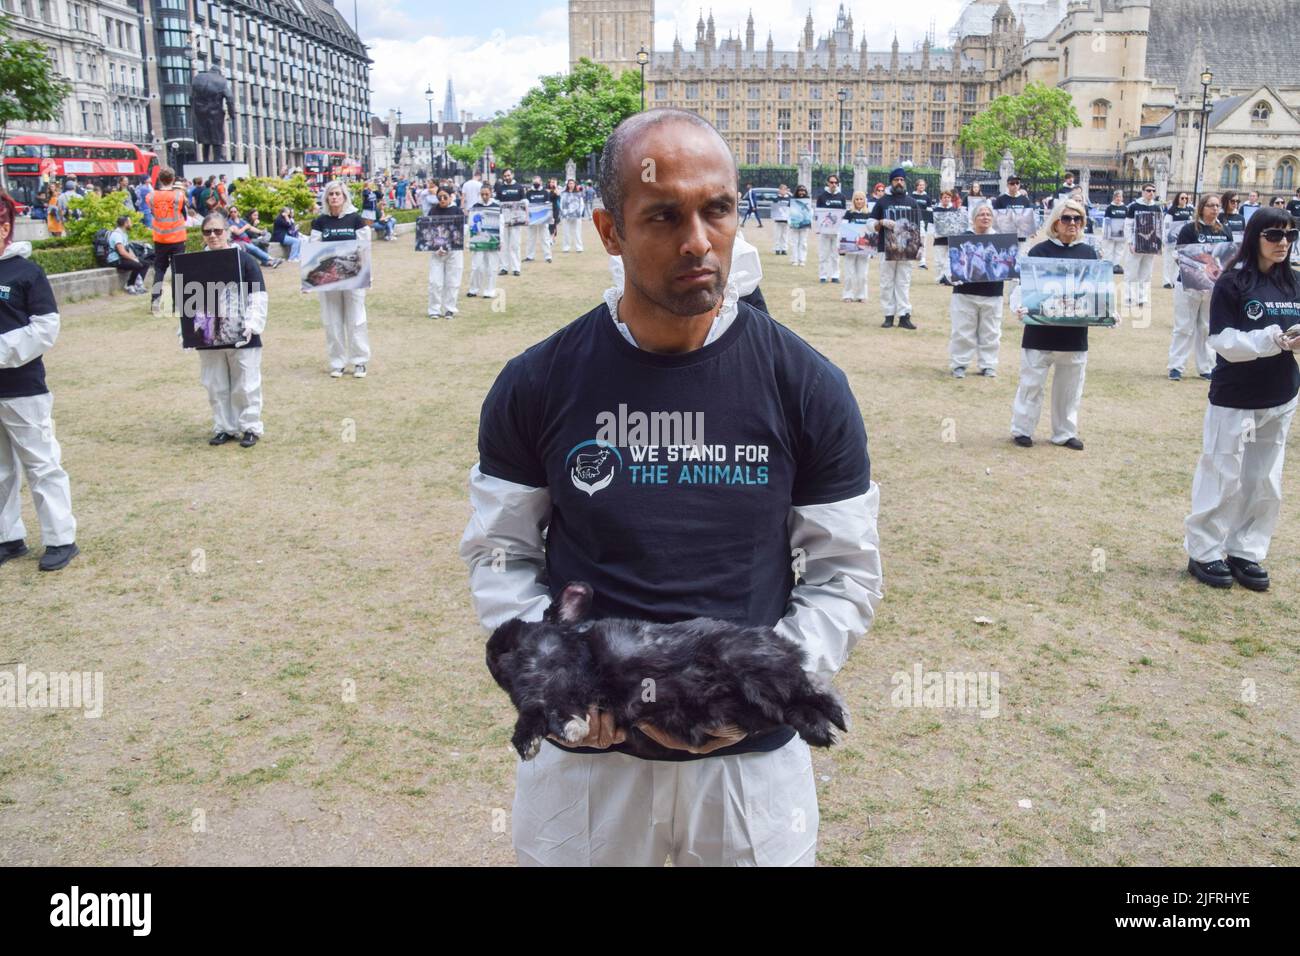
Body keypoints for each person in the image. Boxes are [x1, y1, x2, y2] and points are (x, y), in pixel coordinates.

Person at [459, 107, 882, 867]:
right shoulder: (538, 383)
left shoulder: (806, 385)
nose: (698, 241)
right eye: (663, 216)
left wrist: (757, 693)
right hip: (587, 778)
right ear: (609, 230)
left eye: (716, 209)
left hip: (747, 778)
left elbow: (844, 573)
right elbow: (501, 555)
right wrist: (557, 681)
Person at [1184, 208, 1300, 591]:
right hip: (1236, 397)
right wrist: (1272, 340)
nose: (1283, 243)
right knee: (1222, 473)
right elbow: (1221, 340)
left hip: (1280, 394)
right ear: (1254, 237)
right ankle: (1204, 549)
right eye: (1273, 235)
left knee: (1263, 479)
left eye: (1290, 235)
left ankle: (1245, 549)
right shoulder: (1233, 283)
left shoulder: (1294, 283)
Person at [0, 189, 79, 572]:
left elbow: (47, 327)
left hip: (22, 387)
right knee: (0, 470)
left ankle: (60, 538)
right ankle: (8, 537)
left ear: (4, 227)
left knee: (41, 464)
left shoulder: (26, 272)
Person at [1009, 199, 1099, 450]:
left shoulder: (1088, 253)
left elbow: (1096, 291)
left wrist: (1107, 311)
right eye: (1067, 218)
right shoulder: (1039, 252)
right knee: (1031, 383)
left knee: (1070, 388)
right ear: (1056, 221)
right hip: (1040, 331)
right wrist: (1018, 306)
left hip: (1074, 334)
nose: (1072, 223)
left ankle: (1064, 432)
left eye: (1078, 219)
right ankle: (1022, 429)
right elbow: (1023, 287)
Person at [189, 211, 268, 448]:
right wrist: (188, 330)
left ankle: (250, 426)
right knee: (216, 384)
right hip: (208, 335)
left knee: (246, 383)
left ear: (228, 231)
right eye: (207, 232)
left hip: (242, 333)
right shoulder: (194, 264)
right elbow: (188, 300)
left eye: (217, 231)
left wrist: (252, 324)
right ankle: (224, 426)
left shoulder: (245, 261)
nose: (212, 236)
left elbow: (258, 295)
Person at [310, 180, 371, 379]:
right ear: (326, 197)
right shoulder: (320, 222)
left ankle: (359, 361)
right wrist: (308, 279)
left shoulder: (355, 220)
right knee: (332, 321)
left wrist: (367, 274)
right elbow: (313, 249)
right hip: (330, 279)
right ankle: (337, 362)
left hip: (353, 277)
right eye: (331, 194)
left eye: (338, 194)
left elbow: (364, 247)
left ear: (344, 197)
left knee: (356, 319)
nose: (334, 197)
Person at [1168, 194, 1229, 382]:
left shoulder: (1224, 231)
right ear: (1202, 207)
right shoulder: (1189, 229)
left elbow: (1227, 258)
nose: (1214, 209)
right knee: (1184, 327)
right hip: (1189, 284)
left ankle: (1206, 367)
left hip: (1213, 287)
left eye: (1217, 206)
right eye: (1210, 205)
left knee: (1206, 327)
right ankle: (1176, 367)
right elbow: (1179, 254)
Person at [948, 203, 1005, 378]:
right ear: (973, 219)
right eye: (981, 214)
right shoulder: (963, 238)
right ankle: (959, 364)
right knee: (962, 330)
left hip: (992, 293)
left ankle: (988, 364)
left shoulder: (1000, 240)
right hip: (965, 293)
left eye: (988, 214)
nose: (985, 217)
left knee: (991, 331)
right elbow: (954, 265)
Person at [870, 168, 922, 329]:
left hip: (906, 249)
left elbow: (919, 226)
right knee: (887, 282)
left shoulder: (912, 202)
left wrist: (920, 246)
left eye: (901, 179)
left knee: (903, 282)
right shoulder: (882, 201)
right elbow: (870, 223)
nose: (899, 182)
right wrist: (880, 223)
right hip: (886, 248)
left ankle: (904, 315)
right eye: (896, 180)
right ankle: (888, 315)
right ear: (891, 182)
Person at [147, 167, 190, 316]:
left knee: (159, 270)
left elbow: (154, 212)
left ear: (159, 178)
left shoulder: (151, 196)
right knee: (178, 271)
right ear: (173, 179)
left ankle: (155, 301)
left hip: (160, 238)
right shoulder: (179, 196)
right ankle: (177, 304)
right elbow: (184, 214)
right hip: (177, 237)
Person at [1123, 183, 1163, 308]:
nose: (1151, 193)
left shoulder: (1157, 207)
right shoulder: (1134, 206)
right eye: (1148, 190)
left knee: (1146, 272)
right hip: (1136, 243)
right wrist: (1130, 242)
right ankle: (1128, 297)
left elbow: (1159, 226)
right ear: (1143, 192)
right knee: (1131, 271)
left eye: (1153, 191)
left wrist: (1159, 243)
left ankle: (1142, 297)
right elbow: (1128, 225)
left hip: (1150, 244)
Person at [426, 187, 464, 319]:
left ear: (451, 197)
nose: (442, 200)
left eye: (445, 197)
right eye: (439, 197)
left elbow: (460, 232)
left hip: (454, 251)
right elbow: (428, 230)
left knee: (452, 281)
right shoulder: (433, 211)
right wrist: (436, 247)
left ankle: (450, 308)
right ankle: (434, 309)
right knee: (435, 282)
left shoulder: (457, 211)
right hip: (437, 251)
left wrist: (449, 246)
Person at [467, 184, 500, 299]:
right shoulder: (475, 206)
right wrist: (470, 241)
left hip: (493, 239)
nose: (484, 196)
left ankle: (489, 290)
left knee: (492, 266)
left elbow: (501, 225)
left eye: (486, 194)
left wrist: (501, 241)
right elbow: (471, 224)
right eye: (482, 194)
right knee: (476, 266)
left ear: (491, 193)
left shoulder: (497, 207)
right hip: (478, 240)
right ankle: (473, 289)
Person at [839, 191, 872, 302]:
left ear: (864, 201)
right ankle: (848, 294)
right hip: (850, 247)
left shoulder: (869, 214)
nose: (859, 201)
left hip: (864, 248)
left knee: (863, 274)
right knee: (849, 273)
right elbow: (843, 229)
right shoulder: (849, 213)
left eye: (861, 199)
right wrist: (842, 246)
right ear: (853, 201)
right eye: (856, 199)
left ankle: (862, 295)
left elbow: (872, 231)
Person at [494, 169, 527, 276]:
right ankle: (504, 267)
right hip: (503, 220)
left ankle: (516, 268)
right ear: (503, 176)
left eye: (508, 175)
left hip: (516, 220)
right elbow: (497, 202)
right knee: (503, 244)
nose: (507, 177)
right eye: (505, 176)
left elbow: (524, 202)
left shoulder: (519, 187)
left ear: (512, 175)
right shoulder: (500, 188)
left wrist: (525, 217)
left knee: (515, 244)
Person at [814, 174, 846, 284]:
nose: (833, 184)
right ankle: (823, 275)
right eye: (831, 182)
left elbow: (843, 214)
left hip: (837, 231)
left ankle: (835, 275)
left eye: (835, 182)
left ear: (838, 184)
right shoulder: (822, 196)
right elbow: (818, 214)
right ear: (827, 183)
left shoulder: (841, 197)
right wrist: (818, 227)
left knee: (835, 254)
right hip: (825, 231)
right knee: (824, 254)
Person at [107, 214, 150, 293]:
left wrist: (135, 257)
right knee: (137, 265)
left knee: (145, 263)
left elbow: (127, 249)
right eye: (130, 222)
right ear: (125, 223)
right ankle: (130, 285)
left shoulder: (124, 234)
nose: (131, 224)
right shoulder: (117, 235)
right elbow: (122, 252)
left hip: (122, 258)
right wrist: (134, 259)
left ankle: (138, 285)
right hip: (116, 260)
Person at [933, 189, 960, 286]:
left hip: (950, 239)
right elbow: (933, 225)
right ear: (941, 199)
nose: (946, 199)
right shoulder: (936, 210)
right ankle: (939, 278)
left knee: (949, 260)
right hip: (939, 239)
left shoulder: (954, 210)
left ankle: (947, 277)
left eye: (948, 197)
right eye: (944, 197)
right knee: (939, 260)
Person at [524, 175, 553, 263]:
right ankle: (530, 256)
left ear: (541, 182)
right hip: (532, 219)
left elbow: (548, 205)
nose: (536, 184)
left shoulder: (545, 192)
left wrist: (549, 217)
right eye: (535, 182)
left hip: (543, 219)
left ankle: (548, 256)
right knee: (530, 238)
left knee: (545, 237)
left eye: (538, 182)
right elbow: (526, 205)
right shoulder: (528, 193)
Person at [1101, 189, 1128, 272]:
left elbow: (1127, 221)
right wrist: (1105, 232)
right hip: (1111, 232)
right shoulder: (1109, 208)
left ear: (1122, 198)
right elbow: (1106, 220)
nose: (1118, 198)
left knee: (1119, 250)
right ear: (1113, 198)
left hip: (1121, 233)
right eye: (1116, 197)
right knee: (1109, 249)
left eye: (1120, 197)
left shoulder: (1125, 208)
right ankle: (1108, 265)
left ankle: (1116, 265)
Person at [911, 178, 933, 269]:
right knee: (912, 241)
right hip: (912, 221)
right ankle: (910, 260)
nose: (921, 187)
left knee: (922, 241)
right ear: (917, 186)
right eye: (920, 185)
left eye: (923, 185)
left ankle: (922, 262)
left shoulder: (927, 197)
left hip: (922, 222)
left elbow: (929, 211)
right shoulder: (912, 196)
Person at [788, 184, 810, 267]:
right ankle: (794, 259)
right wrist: (790, 221)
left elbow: (810, 211)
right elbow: (788, 211)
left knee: (803, 242)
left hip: (804, 223)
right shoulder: (792, 200)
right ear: (797, 191)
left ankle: (802, 259)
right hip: (795, 223)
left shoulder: (808, 200)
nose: (802, 192)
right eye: (800, 191)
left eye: (803, 191)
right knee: (794, 242)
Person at [560, 179, 584, 253]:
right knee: (566, 232)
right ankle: (566, 247)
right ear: (567, 185)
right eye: (569, 183)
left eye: (572, 183)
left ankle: (579, 247)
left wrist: (580, 212)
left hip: (576, 215)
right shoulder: (563, 194)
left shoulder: (579, 194)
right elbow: (561, 204)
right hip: (566, 215)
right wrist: (563, 212)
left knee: (577, 232)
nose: (571, 185)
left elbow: (582, 204)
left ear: (575, 184)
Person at [770, 183, 791, 255]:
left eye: (784, 189)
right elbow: (774, 208)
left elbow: (791, 209)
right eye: (781, 189)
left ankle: (784, 249)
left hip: (786, 220)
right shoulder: (776, 198)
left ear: (786, 190)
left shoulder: (789, 198)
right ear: (779, 190)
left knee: (785, 235)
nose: (783, 191)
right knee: (777, 235)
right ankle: (777, 249)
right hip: (778, 220)